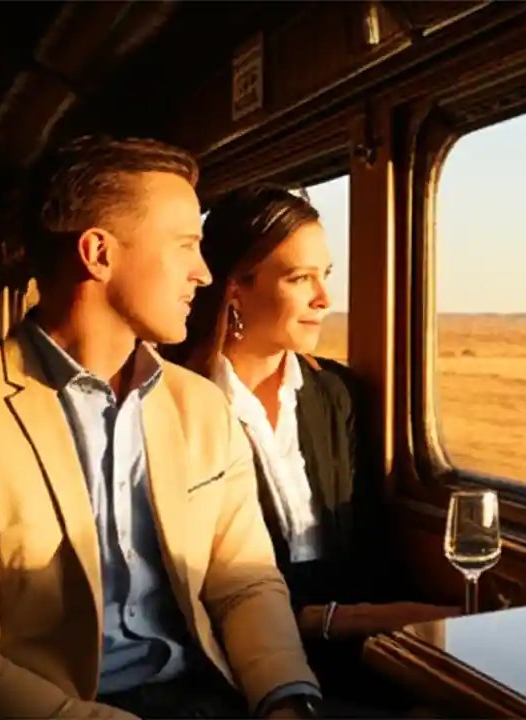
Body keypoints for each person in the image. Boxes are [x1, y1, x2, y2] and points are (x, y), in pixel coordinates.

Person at [0, 137, 324, 719]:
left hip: (211, 696)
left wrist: (286, 701)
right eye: (186, 246)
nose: (203, 272)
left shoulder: (201, 406)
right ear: (98, 254)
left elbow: (243, 583)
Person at [167, 184, 457, 706]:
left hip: (352, 649)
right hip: (232, 663)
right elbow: (189, 589)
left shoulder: (335, 396)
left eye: (325, 277)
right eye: (301, 278)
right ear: (236, 288)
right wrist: (337, 619)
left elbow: (368, 548)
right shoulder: (175, 403)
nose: (324, 299)